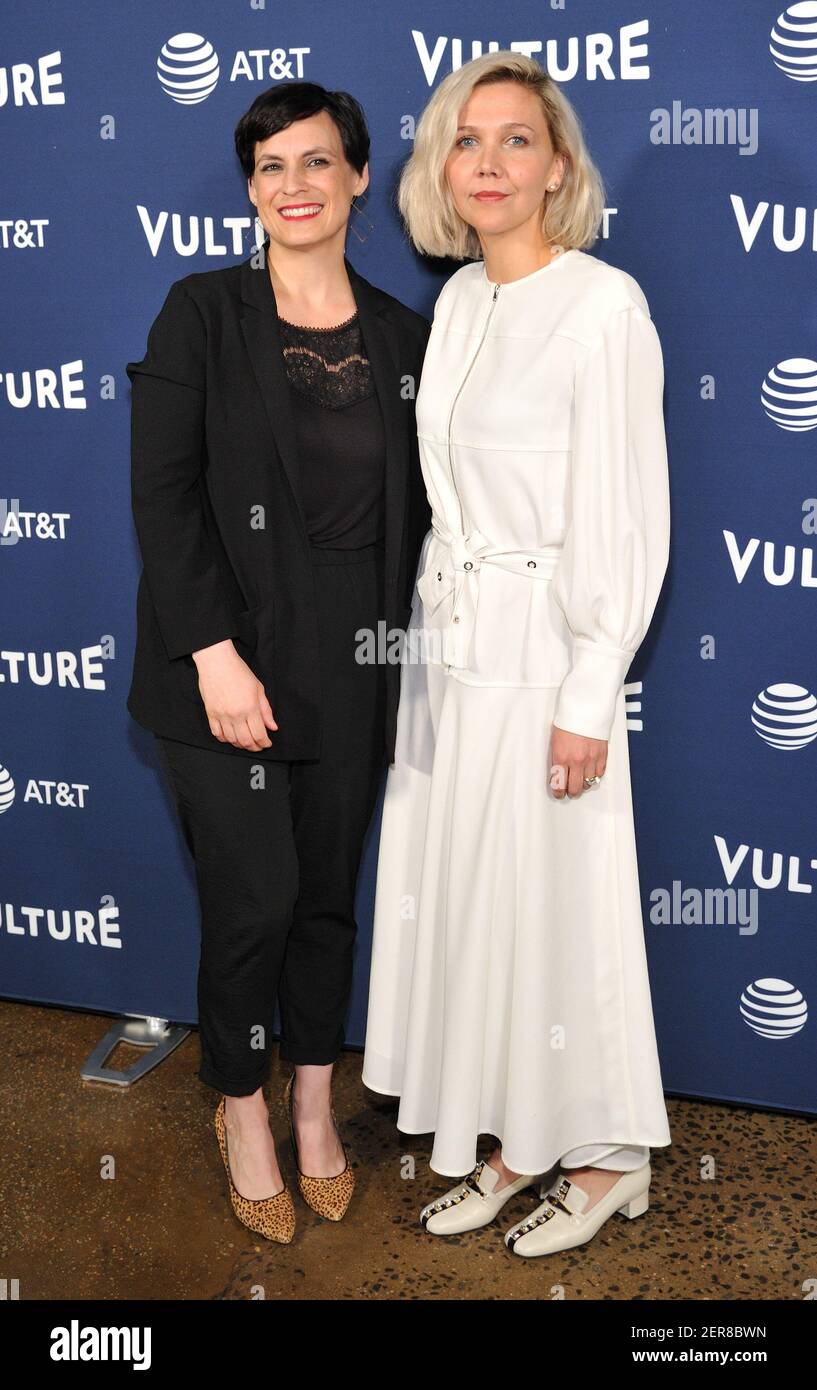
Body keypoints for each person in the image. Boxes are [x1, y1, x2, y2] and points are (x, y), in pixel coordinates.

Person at [361, 51, 672, 1257]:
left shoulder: (604, 308)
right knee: (476, 907)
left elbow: (629, 518)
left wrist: (589, 688)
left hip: (548, 661)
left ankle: (607, 1160)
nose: (487, 163)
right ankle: (509, 1141)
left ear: (557, 168)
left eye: (514, 141)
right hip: (450, 656)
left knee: (560, 906)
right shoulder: (458, 303)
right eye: (464, 140)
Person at [125, 82, 431, 1241]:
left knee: (322, 906)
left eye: (315, 163)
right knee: (252, 903)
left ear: (358, 177)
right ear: (249, 188)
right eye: (269, 167)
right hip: (229, 665)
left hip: (356, 661)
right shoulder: (200, 311)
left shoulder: (407, 338)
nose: (292, 187)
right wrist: (213, 653)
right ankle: (240, 1108)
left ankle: (314, 1105)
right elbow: (162, 495)